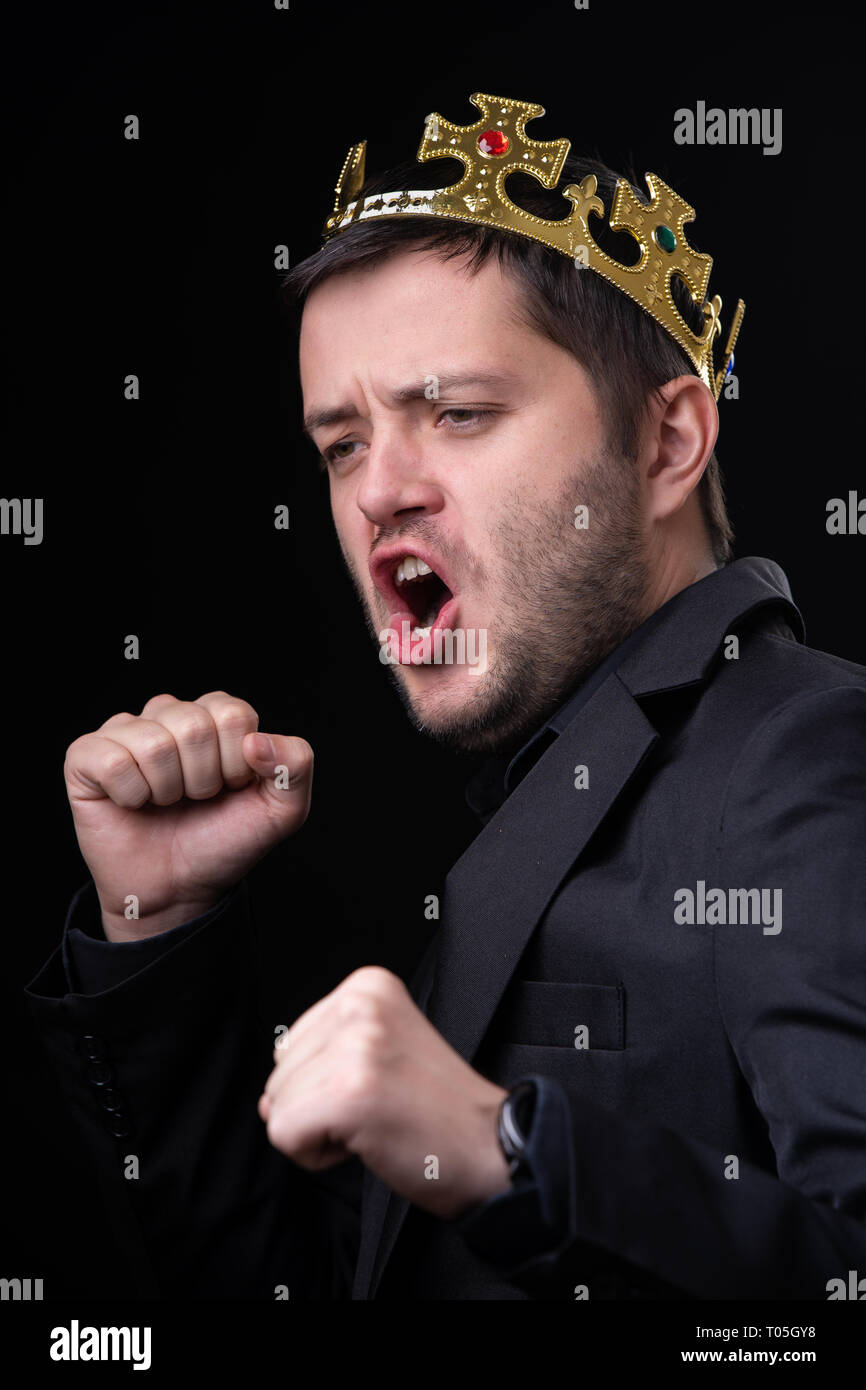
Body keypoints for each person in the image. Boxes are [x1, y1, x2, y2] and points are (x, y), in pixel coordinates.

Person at [25, 93, 866, 1300]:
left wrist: (504, 1151)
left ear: (667, 441)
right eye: (341, 444)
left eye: (456, 413)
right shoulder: (557, 790)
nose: (377, 494)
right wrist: (156, 921)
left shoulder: (802, 755)